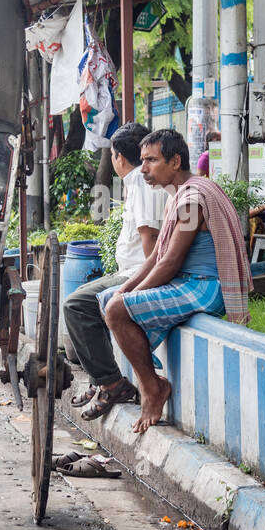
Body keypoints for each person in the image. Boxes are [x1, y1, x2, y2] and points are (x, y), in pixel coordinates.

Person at [102, 128, 252, 433]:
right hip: (186, 283)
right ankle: (149, 380)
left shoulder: (191, 200)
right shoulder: (178, 196)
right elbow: (155, 257)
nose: (143, 169)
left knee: (117, 310)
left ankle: (152, 389)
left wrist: (127, 301)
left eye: (151, 160)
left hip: (204, 287)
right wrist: (123, 291)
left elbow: (171, 263)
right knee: (109, 300)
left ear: (175, 161)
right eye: (142, 161)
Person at [64, 123, 167, 421]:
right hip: (133, 270)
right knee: (86, 301)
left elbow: (151, 241)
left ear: (119, 157)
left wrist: (144, 285)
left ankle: (111, 383)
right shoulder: (138, 183)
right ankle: (101, 379)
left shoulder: (142, 184)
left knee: (76, 306)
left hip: (139, 273)